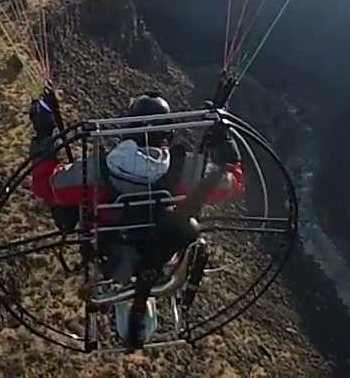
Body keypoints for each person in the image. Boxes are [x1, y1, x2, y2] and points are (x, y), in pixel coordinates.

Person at [27, 90, 245, 347]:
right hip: (164, 258)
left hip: (110, 256)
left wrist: (44, 136)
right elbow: (234, 182)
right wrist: (223, 140)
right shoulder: (187, 170)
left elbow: (45, 186)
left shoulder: (95, 172)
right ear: (168, 135)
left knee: (69, 208)